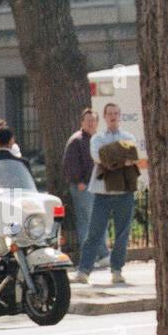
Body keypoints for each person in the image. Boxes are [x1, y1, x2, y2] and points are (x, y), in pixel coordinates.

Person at [76, 102, 142, 285]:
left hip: (124, 191)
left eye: (115, 113)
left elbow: (132, 158)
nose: (113, 116)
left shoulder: (128, 137)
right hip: (102, 192)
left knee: (122, 233)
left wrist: (111, 158)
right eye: (109, 113)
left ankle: (117, 270)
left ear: (119, 116)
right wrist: (119, 156)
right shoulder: (97, 139)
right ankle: (84, 270)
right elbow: (98, 157)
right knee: (94, 232)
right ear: (104, 117)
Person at [63, 109, 98, 264]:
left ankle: (99, 254)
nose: (91, 123)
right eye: (88, 120)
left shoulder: (94, 139)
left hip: (95, 186)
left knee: (94, 221)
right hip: (83, 187)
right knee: (87, 221)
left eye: (93, 120)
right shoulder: (77, 140)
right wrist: (79, 183)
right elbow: (70, 164)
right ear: (82, 123)